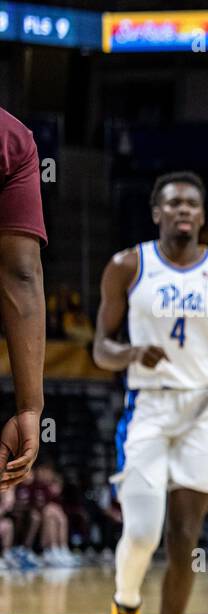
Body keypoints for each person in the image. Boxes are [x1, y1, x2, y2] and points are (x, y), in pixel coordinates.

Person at [93, 171, 208, 614]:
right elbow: (100, 348)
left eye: (192, 204)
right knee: (142, 531)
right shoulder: (125, 267)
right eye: (173, 204)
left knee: (185, 538)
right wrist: (133, 352)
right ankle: (126, 602)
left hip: (206, 409)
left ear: (202, 216)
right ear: (157, 213)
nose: (183, 211)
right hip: (149, 408)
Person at [0, 108, 48, 493]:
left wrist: (31, 407)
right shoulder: (11, 137)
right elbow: (21, 275)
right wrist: (29, 406)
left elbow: (21, 275)